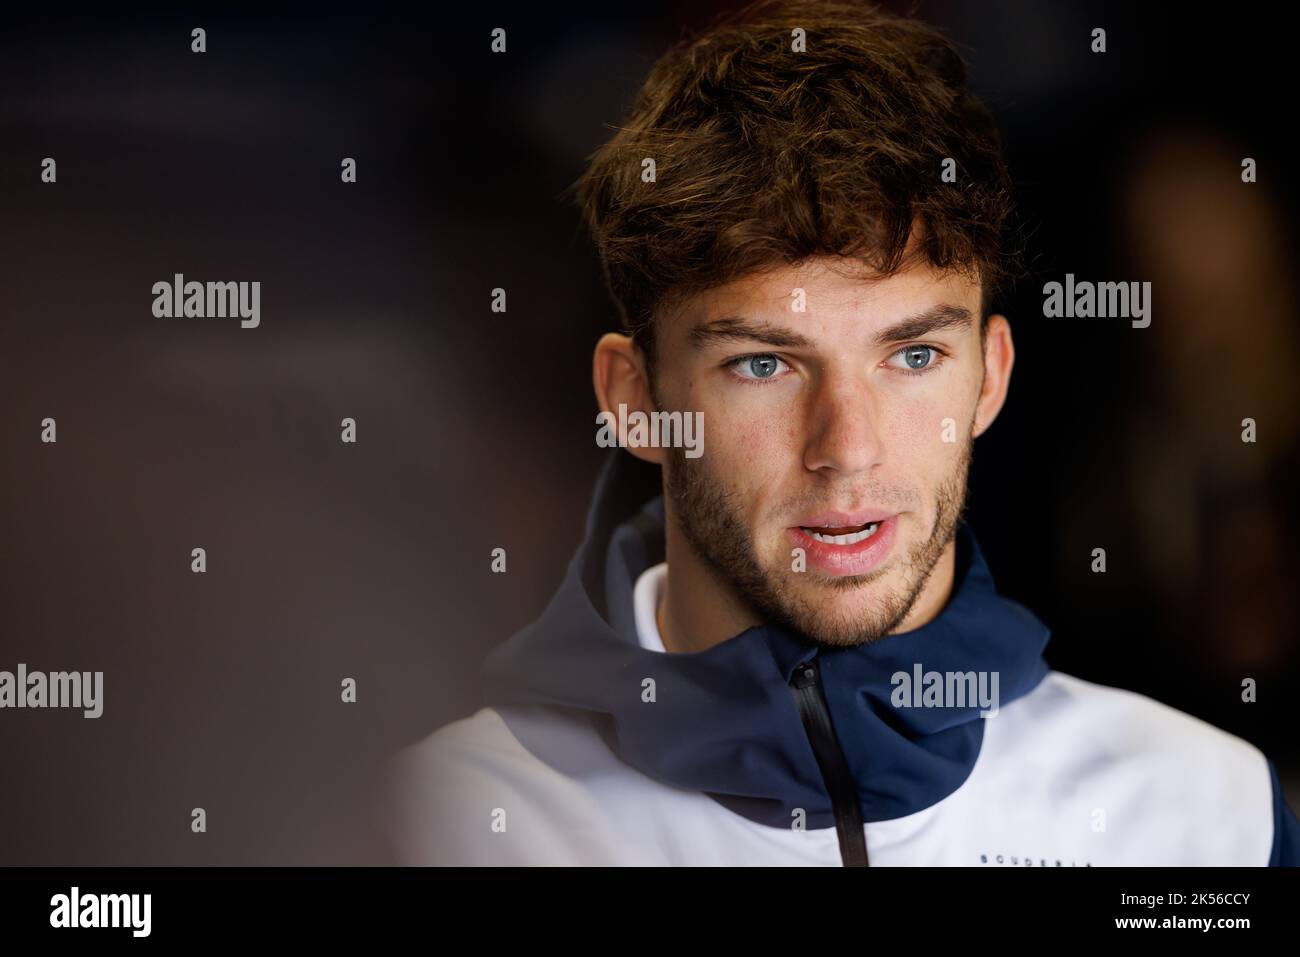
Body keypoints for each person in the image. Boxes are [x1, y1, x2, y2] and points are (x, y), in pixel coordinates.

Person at [386, 0, 1300, 865]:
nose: (848, 447)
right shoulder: (438, 828)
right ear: (634, 401)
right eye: (763, 364)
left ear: (992, 378)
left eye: (912, 357)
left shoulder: (1205, 815)